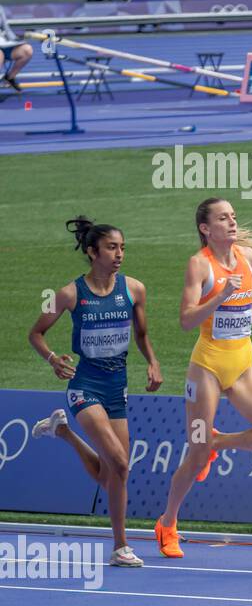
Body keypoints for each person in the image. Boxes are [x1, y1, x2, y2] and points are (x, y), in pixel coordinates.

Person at [27, 218, 164, 569]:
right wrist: (53, 359)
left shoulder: (134, 289)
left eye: (121, 247)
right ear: (92, 252)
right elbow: (36, 333)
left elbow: (143, 335)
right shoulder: (70, 294)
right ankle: (121, 546)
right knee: (120, 464)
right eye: (111, 248)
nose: (119, 254)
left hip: (117, 387)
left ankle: (63, 433)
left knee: (112, 474)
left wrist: (153, 362)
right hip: (84, 386)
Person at [158, 198, 252, 560]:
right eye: (222, 218)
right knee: (196, 456)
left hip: (243, 365)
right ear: (205, 228)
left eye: (233, 216)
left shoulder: (247, 255)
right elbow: (186, 320)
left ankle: (220, 442)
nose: (232, 222)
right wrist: (220, 297)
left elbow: (245, 293)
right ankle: (168, 522)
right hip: (207, 371)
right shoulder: (199, 265)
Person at [0, 5, 32, 93]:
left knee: (27, 50)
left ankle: (10, 77)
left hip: (4, 43)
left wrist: (15, 40)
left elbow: (5, 27)